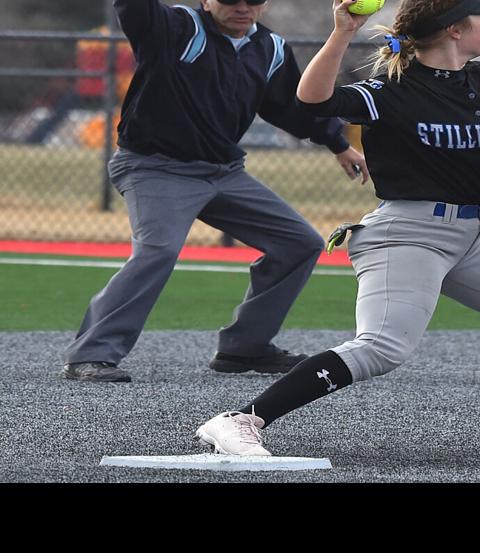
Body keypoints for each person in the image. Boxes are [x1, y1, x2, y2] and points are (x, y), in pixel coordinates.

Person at [194, 0, 480, 458]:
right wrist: (342, 32)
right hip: (404, 234)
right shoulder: (392, 88)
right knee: (382, 349)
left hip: (465, 237)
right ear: (453, 30)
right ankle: (240, 419)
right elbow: (313, 98)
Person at [63, 0, 370, 383]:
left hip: (223, 172)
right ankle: (91, 354)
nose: (242, 7)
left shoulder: (269, 48)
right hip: (155, 166)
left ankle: (244, 348)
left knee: (299, 243)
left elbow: (293, 107)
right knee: (157, 251)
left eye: (252, 0)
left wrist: (337, 143)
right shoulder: (175, 27)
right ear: (207, 1)